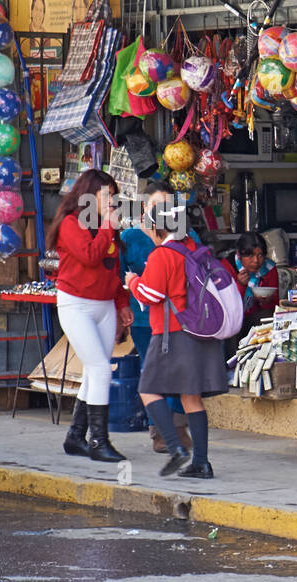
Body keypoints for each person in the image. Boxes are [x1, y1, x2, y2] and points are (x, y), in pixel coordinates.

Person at [126, 192, 229, 479]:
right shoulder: (191, 248)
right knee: (191, 398)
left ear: (158, 229)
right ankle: (202, 462)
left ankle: (176, 448)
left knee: (148, 390)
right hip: (199, 331)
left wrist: (133, 282)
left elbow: (151, 293)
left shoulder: (163, 254)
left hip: (171, 333)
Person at [50, 169, 133, 462]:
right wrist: (110, 228)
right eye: (106, 195)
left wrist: (123, 303)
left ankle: (75, 436)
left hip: (105, 305)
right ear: (88, 195)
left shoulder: (105, 225)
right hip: (76, 304)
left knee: (93, 370)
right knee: (99, 369)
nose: (112, 201)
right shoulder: (71, 224)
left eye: (114, 195)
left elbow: (113, 267)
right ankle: (99, 442)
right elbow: (90, 256)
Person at [120, 182, 191, 454]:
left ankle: (178, 428)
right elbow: (119, 277)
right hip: (143, 320)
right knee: (151, 375)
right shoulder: (129, 237)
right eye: (155, 206)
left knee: (177, 373)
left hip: (178, 320)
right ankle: (159, 432)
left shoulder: (184, 234)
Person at [223, 232, 280, 356]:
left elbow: (275, 305)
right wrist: (240, 285)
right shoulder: (226, 267)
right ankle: (233, 362)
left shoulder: (269, 269)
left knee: (269, 317)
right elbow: (225, 304)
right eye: (250, 256)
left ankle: (263, 358)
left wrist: (266, 302)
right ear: (239, 254)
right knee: (231, 323)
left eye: (260, 255)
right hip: (233, 317)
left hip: (254, 315)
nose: (256, 261)